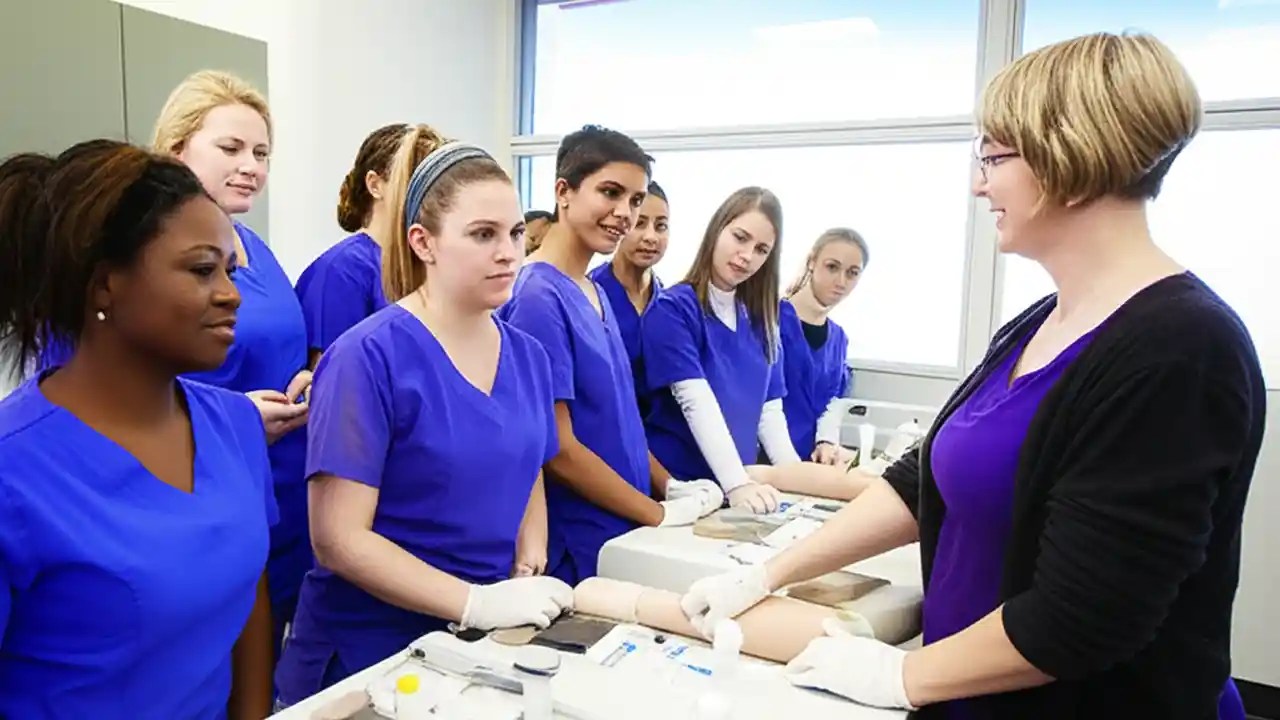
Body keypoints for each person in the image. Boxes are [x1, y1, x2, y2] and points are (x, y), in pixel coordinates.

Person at [680, 32, 1263, 720]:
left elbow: (1084, 617)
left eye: (993, 156)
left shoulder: (1182, 350)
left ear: (1070, 151)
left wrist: (901, 677)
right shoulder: (1042, 320)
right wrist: (769, 572)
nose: (979, 181)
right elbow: (922, 481)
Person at [274, 125, 573, 703]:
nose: (509, 252)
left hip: (471, 649)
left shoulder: (528, 357)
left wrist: (528, 557)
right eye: (482, 234)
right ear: (423, 242)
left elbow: (528, 461)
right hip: (367, 654)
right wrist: (473, 601)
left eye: (514, 233)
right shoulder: (367, 357)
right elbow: (338, 538)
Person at [0, 140, 277, 718]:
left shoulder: (233, 427)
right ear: (105, 285)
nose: (230, 296)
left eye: (231, 270)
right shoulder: (16, 472)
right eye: (203, 270)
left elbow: (249, 592)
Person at [499, 126, 722, 585]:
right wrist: (656, 514)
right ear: (563, 191)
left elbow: (617, 421)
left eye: (636, 200)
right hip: (577, 542)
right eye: (610, 192)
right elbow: (556, 448)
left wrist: (667, 485)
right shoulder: (539, 296)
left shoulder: (593, 292)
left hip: (622, 529)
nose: (625, 213)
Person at [151, 70, 313, 651]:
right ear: (176, 150)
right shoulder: (140, 259)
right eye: (231, 148)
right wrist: (238, 415)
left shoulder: (256, 249)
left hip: (278, 496)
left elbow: (278, 348)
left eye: (261, 152)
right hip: (194, 492)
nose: (251, 165)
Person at [641, 187, 800, 514]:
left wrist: (796, 482)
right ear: (717, 230)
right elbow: (695, 401)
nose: (746, 255)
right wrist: (736, 483)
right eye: (740, 238)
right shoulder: (673, 310)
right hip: (685, 491)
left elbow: (769, 412)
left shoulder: (763, 321)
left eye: (761, 249)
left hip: (736, 492)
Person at [295, 123, 405, 366]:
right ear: (375, 184)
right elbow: (332, 377)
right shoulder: (341, 269)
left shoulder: (419, 264)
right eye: (414, 176)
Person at [779, 227, 868, 465]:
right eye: (832, 267)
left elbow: (833, 401)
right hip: (762, 459)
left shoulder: (838, 339)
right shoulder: (771, 320)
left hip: (810, 462)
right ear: (811, 262)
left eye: (852, 273)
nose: (841, 281)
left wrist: (825, 441)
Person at [588, 180, 669, 414]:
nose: (651, 237)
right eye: (640, 224)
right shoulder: (590, 294)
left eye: (661, 226)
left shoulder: (669, 303)